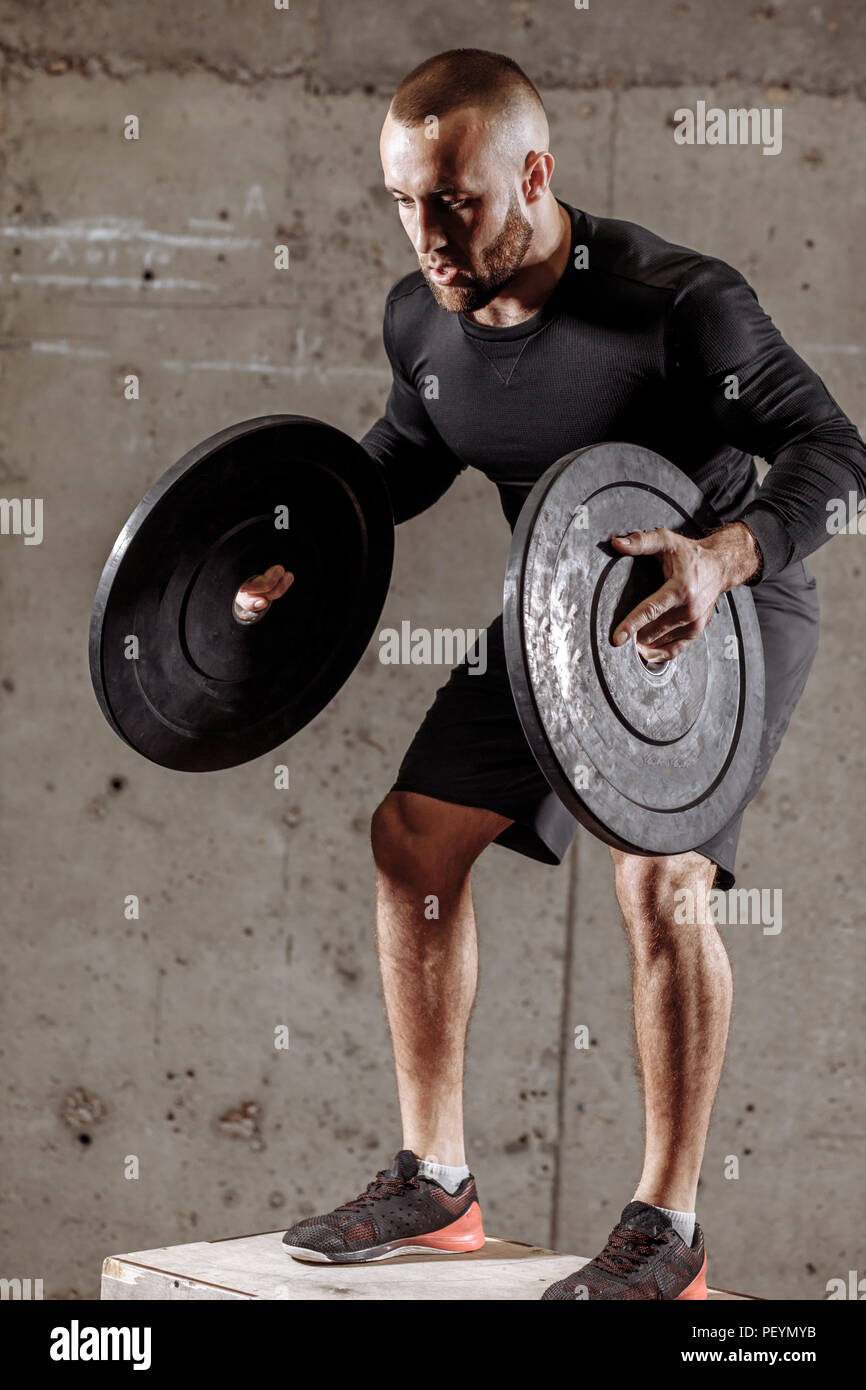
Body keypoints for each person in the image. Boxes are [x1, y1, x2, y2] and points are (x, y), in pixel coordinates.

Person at [238, 49, 864, 1298]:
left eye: (455, 200)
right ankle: (434, 1180)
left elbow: (834, 453)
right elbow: (410, 450)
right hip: (557, 603)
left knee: (657, 881)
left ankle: (668, 1232)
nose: (426, 233)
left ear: (532, 173)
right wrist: (298, 539)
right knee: (412, 836)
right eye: (404, 202)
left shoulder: (677, 303)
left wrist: (722, 557)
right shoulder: (423, 317)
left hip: (716, 600)